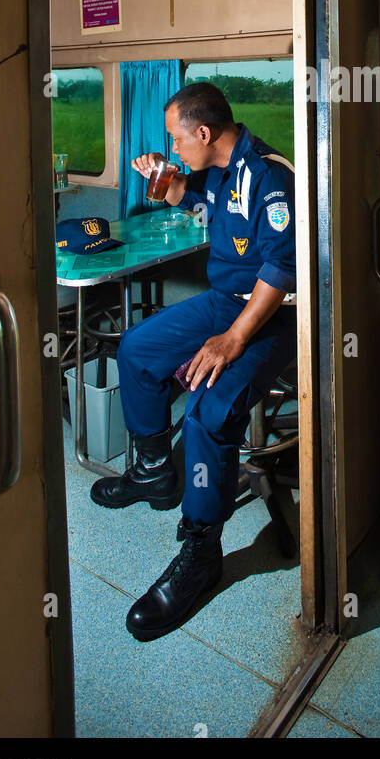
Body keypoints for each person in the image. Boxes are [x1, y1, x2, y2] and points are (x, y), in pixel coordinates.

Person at [90, 81, 297, 640]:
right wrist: (168, 183)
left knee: (208, 412)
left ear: (204, 132)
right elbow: (202, 204)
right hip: (224, 301)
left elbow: (282, 271)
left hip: (271, 313)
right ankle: (156, 470)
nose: (175, 147)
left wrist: (231, 341)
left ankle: (202, 549)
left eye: (177, 139)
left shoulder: (270, 175)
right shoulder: (221, 170)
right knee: (136, 349)